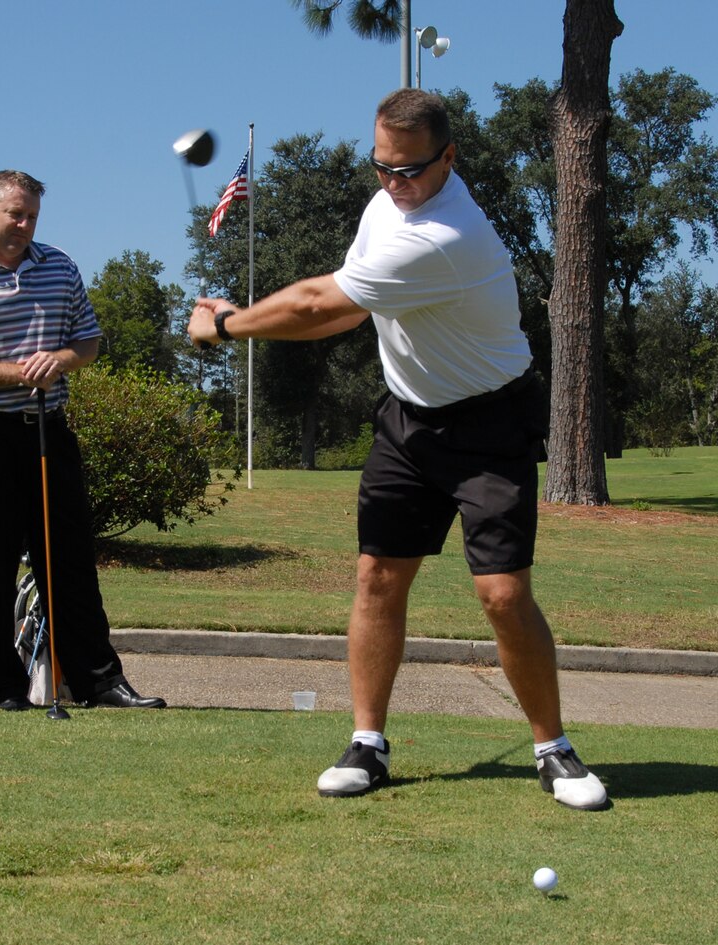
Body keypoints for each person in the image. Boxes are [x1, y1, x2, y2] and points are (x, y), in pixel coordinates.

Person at [187, 90, 606, 811]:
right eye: (381, 166)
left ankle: (553, 748)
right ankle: (368, 744)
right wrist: (246, 319)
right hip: (407, 420)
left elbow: (320, 303)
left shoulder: (449, 235)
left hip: (488, 426)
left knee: (503, 595)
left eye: (409, 170)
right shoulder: (386, 209)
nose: (393, 182)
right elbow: (348, 308)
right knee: (378, 575)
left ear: (449, 158)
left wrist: (228, 326)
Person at [0, 170, 165, 711]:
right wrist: (17, 373)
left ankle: (98, 681)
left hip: (48, 431)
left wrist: (60, 360)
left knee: (70, 559)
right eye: (14, 214)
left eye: (32, 215)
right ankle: (6, 688)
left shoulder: (59, 266)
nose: (25, 224)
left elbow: (88, 340)